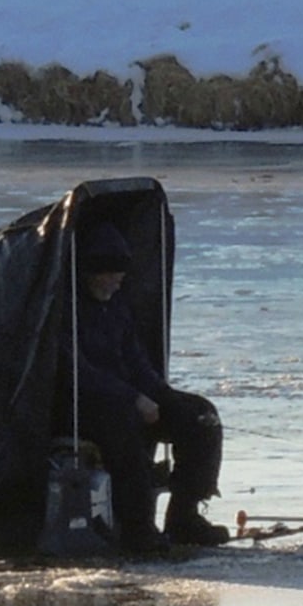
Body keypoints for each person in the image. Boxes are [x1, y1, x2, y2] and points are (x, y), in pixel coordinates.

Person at [68, 221, 230, 552]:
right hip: (82, 405)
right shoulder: (66, 310)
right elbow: (78, 371)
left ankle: (184, 516)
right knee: (123, 426)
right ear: (92, 272)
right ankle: (137, 526)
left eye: (120, 275)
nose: (118, 281)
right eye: (111, 274)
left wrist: (164, 397)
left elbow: (137, 361)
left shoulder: (115, 307)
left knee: (200, 416)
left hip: (129, 397)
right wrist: (133, 398)